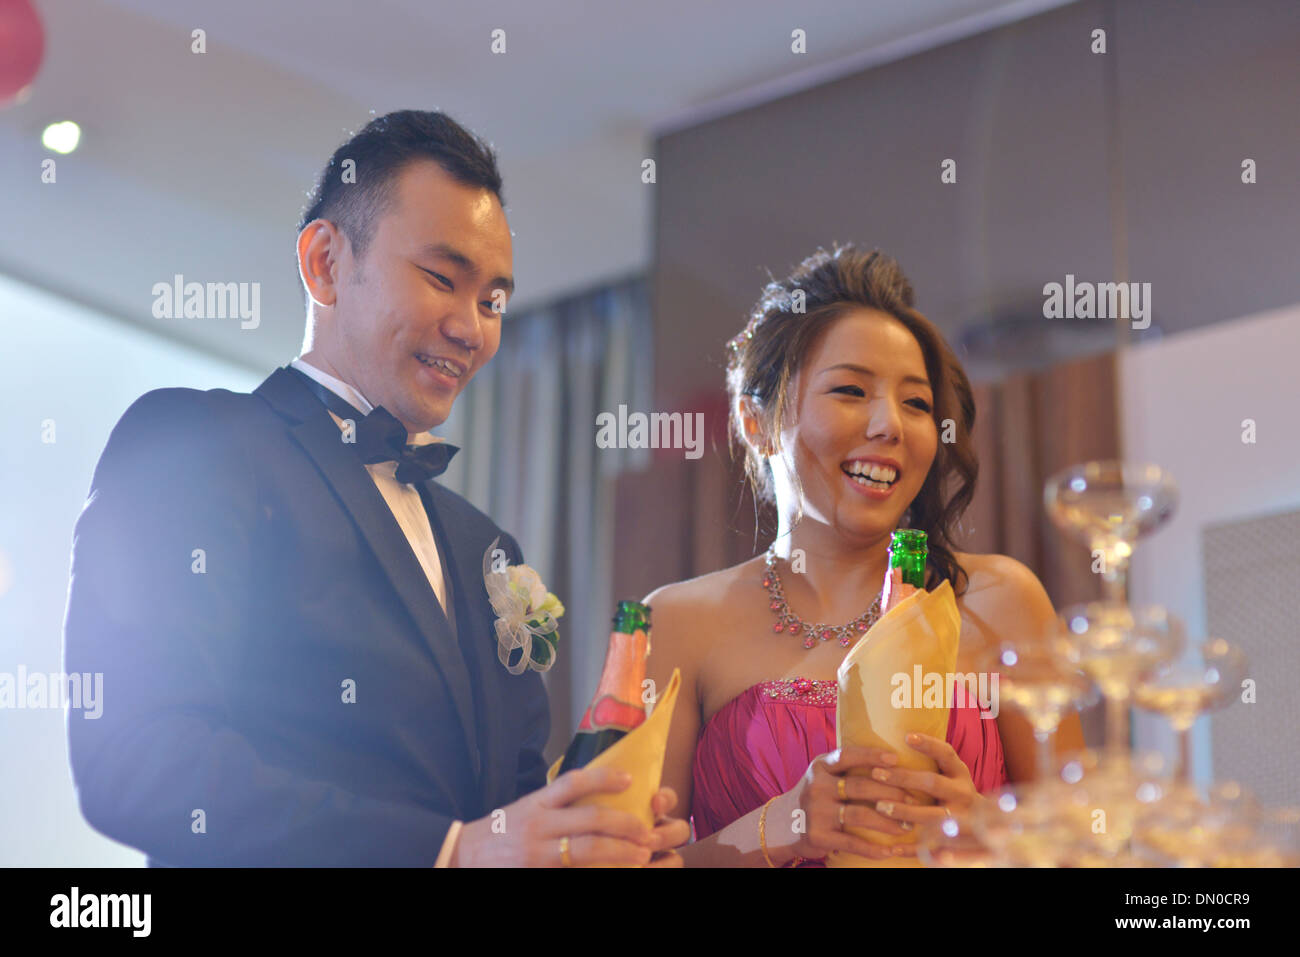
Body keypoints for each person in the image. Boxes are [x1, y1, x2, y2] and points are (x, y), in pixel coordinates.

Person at [62, 110, 688, 867]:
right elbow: (137, 759)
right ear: (325, 261)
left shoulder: (487, 548)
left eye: (492, 300)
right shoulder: (194, 443)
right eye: (441, 279)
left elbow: (509, 812)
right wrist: (450, 850)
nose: (473, 328)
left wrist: (580, 835)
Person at [643, 245, 1085, 867]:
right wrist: (775, 827)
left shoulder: (1001, 601)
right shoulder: (678, 623)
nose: (890, 426)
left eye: (916, 403)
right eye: (851, 390)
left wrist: (992, 839)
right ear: (756, 421)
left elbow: (1094, 851)